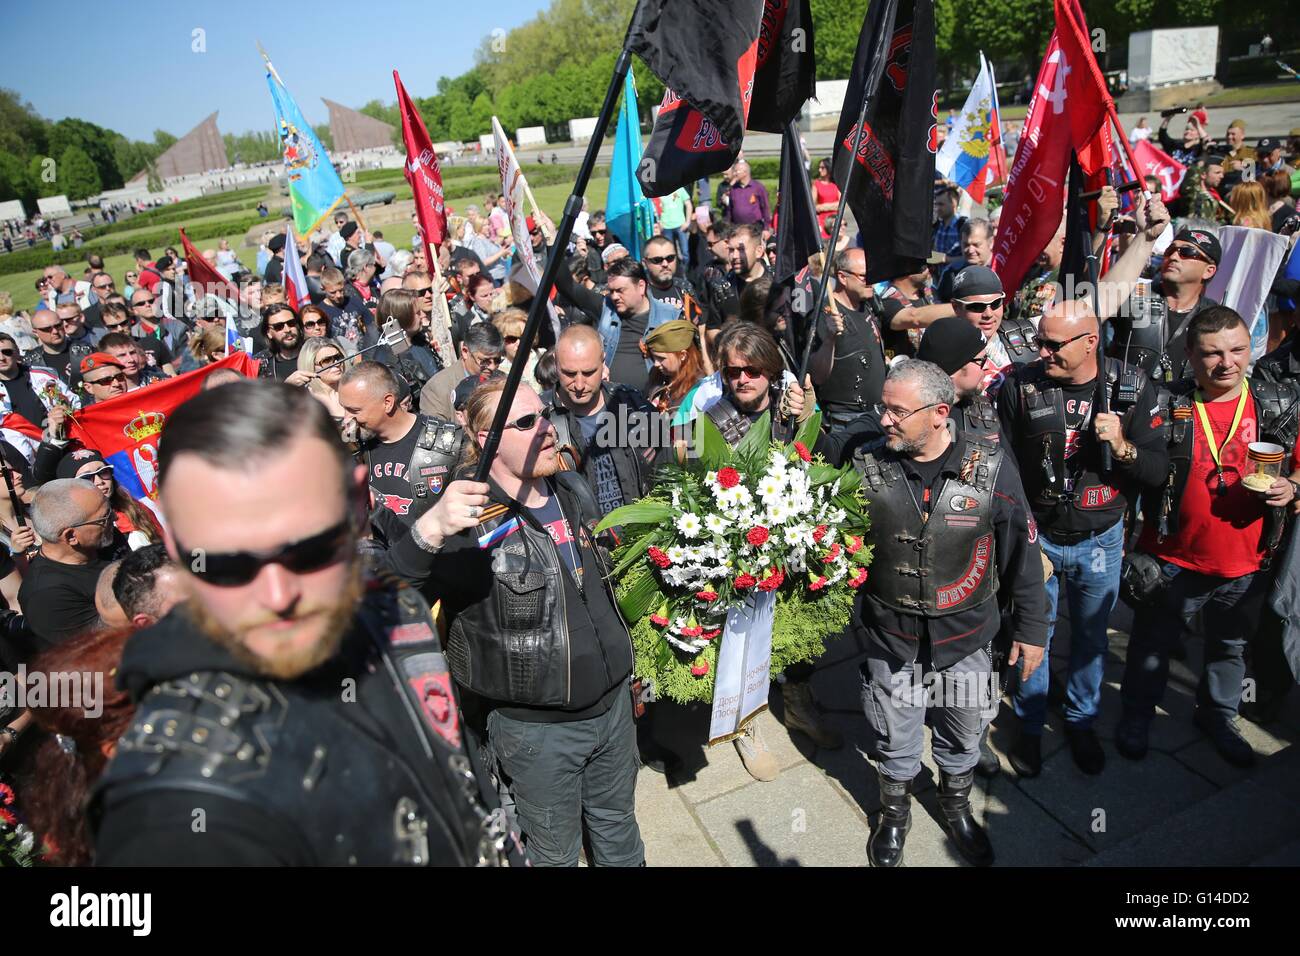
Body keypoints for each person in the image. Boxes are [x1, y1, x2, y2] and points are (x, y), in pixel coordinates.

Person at [90, 380, 505, 865]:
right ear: (181, 549)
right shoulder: (172, 803)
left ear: (356, 505)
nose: (278, 595)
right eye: (228, 562)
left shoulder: (394, 611)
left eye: (309, 547)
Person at [388, 377, 645, 866]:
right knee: (555, 854)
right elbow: (394, 600)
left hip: (613, 711)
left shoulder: (572, 484)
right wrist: (430, 530)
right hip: (538, 733)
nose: (547, 429)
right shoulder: (467, 521)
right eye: (526, 422)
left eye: (545, 413)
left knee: (619, 832)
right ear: (487, 440)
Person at [819, 360, 1047, 866]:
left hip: (967, 637)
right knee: (893, 736)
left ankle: (956, 806)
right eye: (883, 407)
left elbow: (1022, 555)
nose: (884, 420)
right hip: (891, 639)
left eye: (898, 411)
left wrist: (1032, 629)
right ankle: (893, 816)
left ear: (940, 413)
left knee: (965, 731)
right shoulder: (864, 467)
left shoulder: (992, 468)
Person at [1118, 307, 1300, 768]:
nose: (1228, 362)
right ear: (1190, 355)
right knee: (1151, 645)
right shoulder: (1166, 402)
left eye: (1238, 349)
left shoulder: (1275, 401)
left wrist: (1293, 486)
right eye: (1213, 353)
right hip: (1171, 558)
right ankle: (1136, 715)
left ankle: (1218, 716)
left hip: (1248, 561)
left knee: (1230, 647)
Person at [996, 301, 1169, 777]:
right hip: (1041, 538)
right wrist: (1021, 535)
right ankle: (1029, 727)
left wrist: (1121, 446)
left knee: (1092, 638)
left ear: (1090, 341)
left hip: (1100, 538)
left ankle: (1080, 721)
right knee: (1034, 637)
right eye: (1040, 341)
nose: (1043, 352)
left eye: (1055, 344)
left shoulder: (1130, 389)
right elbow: (1003, 466)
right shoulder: (1021, 385)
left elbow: (1158, 470)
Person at [691, 322, 836, 773]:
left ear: (771, 370)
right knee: (742, 644)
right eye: (733, 371)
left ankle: (797, 704)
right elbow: (695, 492)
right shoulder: (709, 421)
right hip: (739, 554)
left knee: (797, 640)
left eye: (753, 370)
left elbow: (823, 464)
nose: (743, 380)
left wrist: (811, 419)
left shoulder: (790, 410)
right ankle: (744, 722)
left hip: (790, 547)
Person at [545, 325, 659, 519]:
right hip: (582, 543)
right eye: (569, 373)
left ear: (603, 362)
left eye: (589, 372)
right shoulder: (541, 418)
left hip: (639, 533)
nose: (579, 385)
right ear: (556, 364)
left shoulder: (631, 402)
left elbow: (664, 466)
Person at [340, 361, 462, 531]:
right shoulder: (355, 447)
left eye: (354, 410)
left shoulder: (448, 442)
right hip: (387, 554)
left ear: (388, 402)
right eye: (344, 409)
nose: (346, 419)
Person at [1108, 227, 1221, 383]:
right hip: (1123, 402)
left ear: (1209, 271)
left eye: (1186, 253)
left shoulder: (1215, 318)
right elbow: (1089, 305)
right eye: (1169, 251)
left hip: (1183, 405)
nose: (1174, 256)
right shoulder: (1135, 295)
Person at [16, 478, 113, 654]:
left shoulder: (103, 540)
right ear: (71, 537)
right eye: (104, 518)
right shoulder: (47, 595)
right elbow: (104, 647)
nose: (111, 520)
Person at [553, 257, 679, 392]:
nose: (614, 296)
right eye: (611, 291)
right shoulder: (605, 307)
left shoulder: (670, 316)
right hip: (609, 400)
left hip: (653, 403)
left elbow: (686, 366)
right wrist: (552, 242)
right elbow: (567, 286)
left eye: (620, 290)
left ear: (641, 286)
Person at [808, 248, 889, 427]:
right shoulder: (826, 313)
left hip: (875, 413)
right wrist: (829, 339)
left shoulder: (868, 305)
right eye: (864, 276)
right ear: (843, 277)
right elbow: (818, 376)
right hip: (845, 420)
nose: (871, 283)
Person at [915, 316, 1002, 443]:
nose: (987, 367)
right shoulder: (907, 421)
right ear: (954, 369)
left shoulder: (984, 412)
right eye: (982, 361)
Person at [949, 265, 1034, 395]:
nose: (988, 314)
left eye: (995, 303)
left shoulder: (1031, 333)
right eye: (977, 307)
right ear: (956, 307)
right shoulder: (942, 350)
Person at [420, 323, 505, 422]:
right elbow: (437, 433)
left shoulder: (502, 380)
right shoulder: (437, 390)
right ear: (465, 352)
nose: (492, 367)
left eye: (497, 361)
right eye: (485, 361)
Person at [0, 332, 78, 430]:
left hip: (52, 440)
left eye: (7, 352)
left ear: (17, 352)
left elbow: (74, 403)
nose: (1, 358)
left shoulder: (43, 376)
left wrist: (64, 413)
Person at [645, 319, 709, 423]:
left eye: (661, 358)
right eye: (654, 358)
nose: (656, 364)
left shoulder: (699, 389)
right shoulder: (657, 375)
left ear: (683, 355)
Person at [97, 332, 167, 390]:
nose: (131, 359)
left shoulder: (161, 380)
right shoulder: (106, 393)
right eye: (122, 355)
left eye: (132, 353)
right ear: (107, 361)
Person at [253, 303, 305, 382]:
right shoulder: (261, 364)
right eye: (279, 326)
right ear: (269, 333)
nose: (287, 330)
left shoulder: (315, 352)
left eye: (291, 323)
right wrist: (287, 386)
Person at [656, 186, 693, 267]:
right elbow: (655, 207)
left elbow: (688, 205)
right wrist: (659, 223)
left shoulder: (680, 188)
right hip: (666, 227)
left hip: (680, 225)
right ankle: (675, 273)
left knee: (685, 252)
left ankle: (686, 274)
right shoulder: (659, 190)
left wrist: (687, 222)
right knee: (670, 253)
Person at [725, 160, 770, 227]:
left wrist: (766, 228)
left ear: (745, 172)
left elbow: (765, 207)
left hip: (755, 227)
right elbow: (729, 210)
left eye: (737, 171)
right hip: (738, 227)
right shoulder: (733, 189)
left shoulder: (758, 187)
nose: (734, 173)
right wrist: (728, 226)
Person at [812, 158, 841, 238]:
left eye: (822, 167)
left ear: (829, 168)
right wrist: (832, 206)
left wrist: (822, 207)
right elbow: (813, 206)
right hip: (822, 221)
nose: (819, 170)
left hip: (836, 220)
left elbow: (841, 205)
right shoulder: (816, 184)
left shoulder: (836, 184)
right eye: (819, 167)